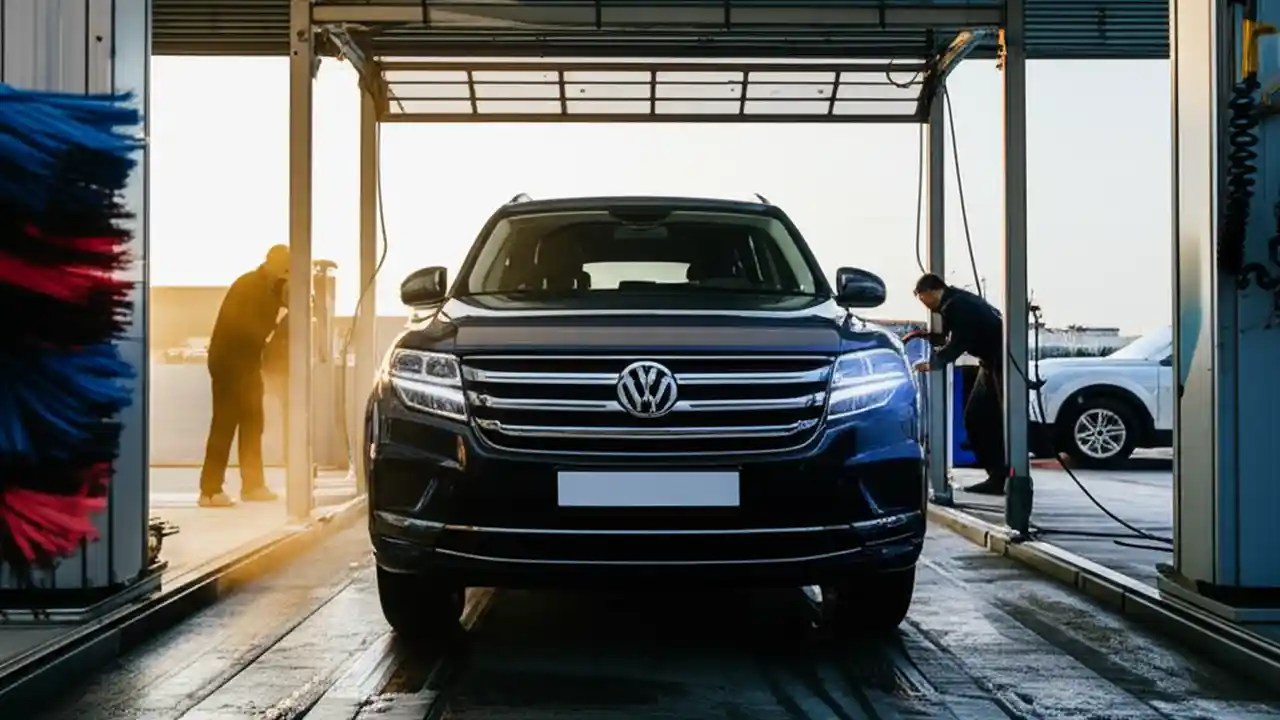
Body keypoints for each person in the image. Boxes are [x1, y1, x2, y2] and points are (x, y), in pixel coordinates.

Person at [198, 245, 290, 507]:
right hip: (229, 361)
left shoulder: (268, 288)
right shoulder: (250, 286)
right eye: (285, 269)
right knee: (225, 421)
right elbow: (249, 328)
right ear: (273, 265)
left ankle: (252, 484)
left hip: (247, 362)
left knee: (253, 421)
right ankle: (210, 489)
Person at [904, 273, 1009, 496]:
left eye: (925, 299)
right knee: (978, 418)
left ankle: (1001, 478)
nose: (926, 305)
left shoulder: (956, 305)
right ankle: (998, 476)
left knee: (989, 419)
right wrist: (920, 335)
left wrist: (934, 363)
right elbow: (947, 338)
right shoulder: (957, 300)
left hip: (1001, 362)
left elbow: (959, 342)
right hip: (990, 362)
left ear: (934, 291)